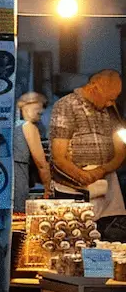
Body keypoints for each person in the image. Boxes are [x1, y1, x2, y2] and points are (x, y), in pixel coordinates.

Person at [49, 70, 126, 236]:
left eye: (114, 99)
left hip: (106, 188)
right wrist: (82, 175)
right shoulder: (67, 105)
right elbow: (58, 157)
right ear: (94, 88)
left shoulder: (110, 110)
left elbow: (120, 151)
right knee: (75, 236)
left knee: (107, 239)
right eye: (109, 98)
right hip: (74, 188)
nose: (111, 104)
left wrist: (102, 170)